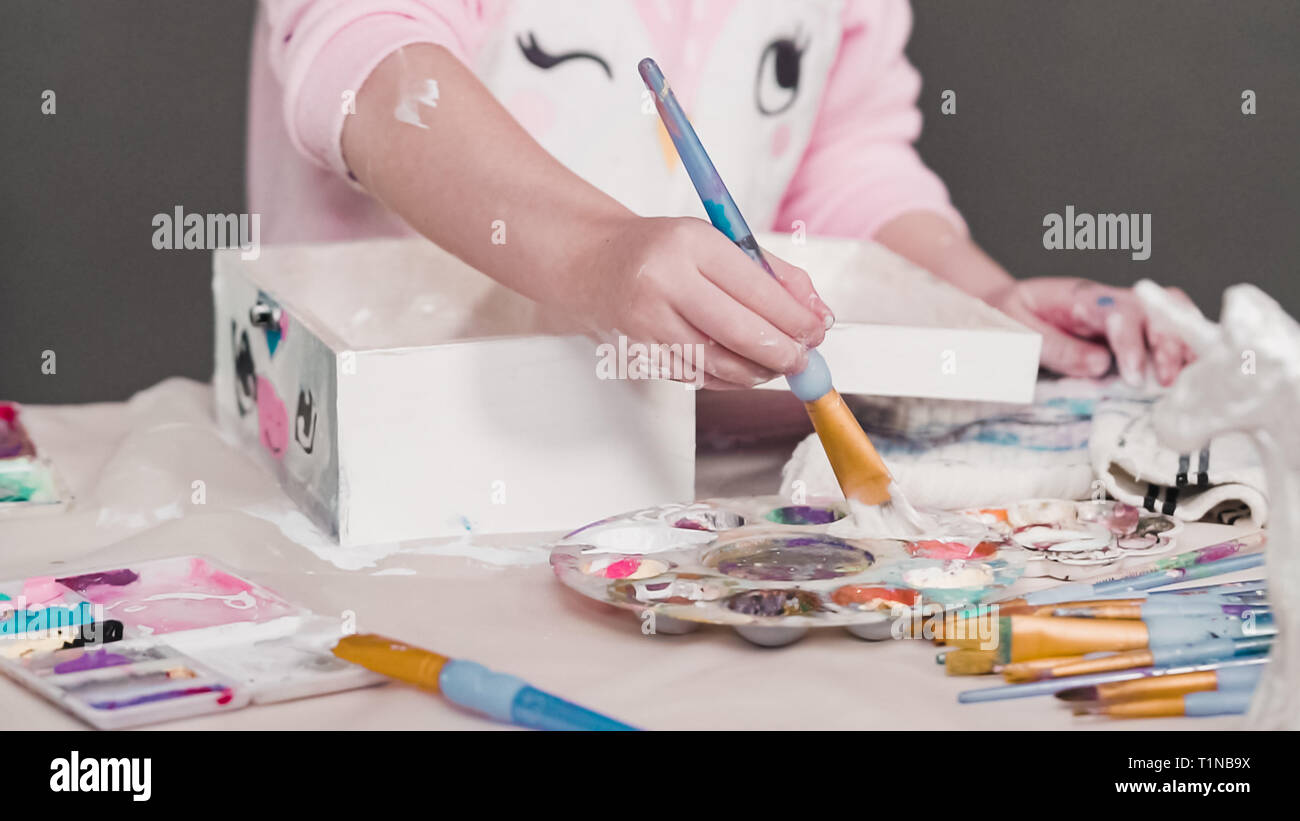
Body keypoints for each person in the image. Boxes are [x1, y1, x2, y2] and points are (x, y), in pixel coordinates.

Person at [249, 0, 1192, 390]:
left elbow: (846, 165)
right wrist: (594, 251)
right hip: (399, 426)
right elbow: (371, 77)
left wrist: (977, 304)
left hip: (670, 468)